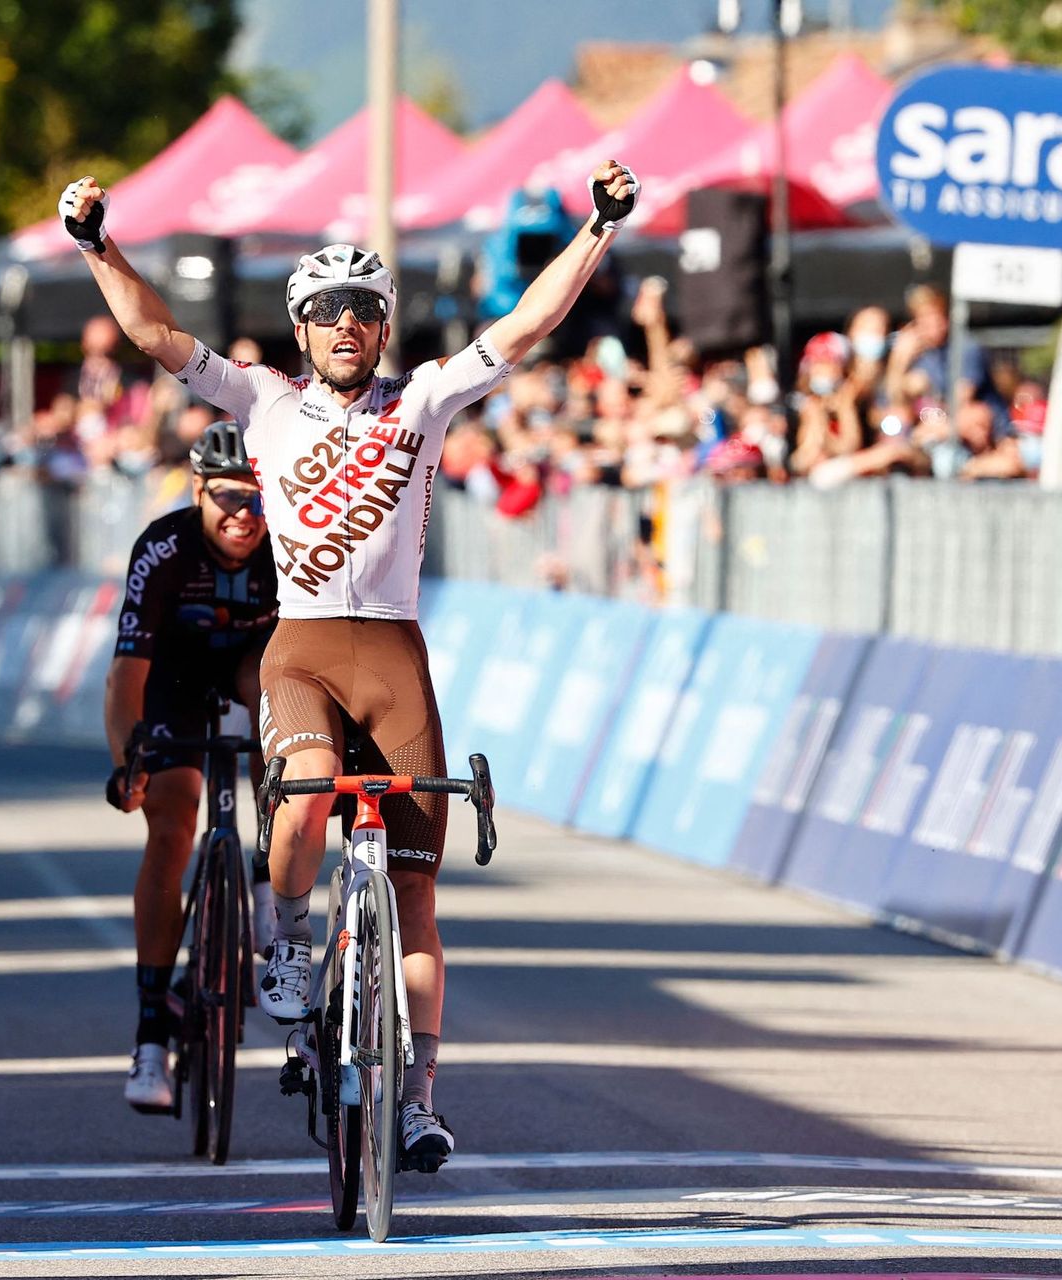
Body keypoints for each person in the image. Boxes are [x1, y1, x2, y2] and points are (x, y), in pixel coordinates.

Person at [58, 156, 640, 1170]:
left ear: (381, 326)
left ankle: (417, 1101)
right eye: (325, 311)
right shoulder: (263, 401)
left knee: (417, 895)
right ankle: (287, 935)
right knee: (309, 787)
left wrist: (598, 227)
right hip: (305, 646)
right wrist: (98, 244)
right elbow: (156, 336)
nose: (344, 324)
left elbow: (527, 325)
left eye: (362, 310)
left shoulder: (424, 400)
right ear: (301, 328)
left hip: (397, 653)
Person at [104, 422, 280, 1113]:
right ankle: (151, 1034)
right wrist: (127, 766)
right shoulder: (165, 548)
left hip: (252, 668)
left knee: (277, 698)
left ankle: (267, 882)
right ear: (199, 492)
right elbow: (126, 676)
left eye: (259, 500)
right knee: (173, 824)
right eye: (231, 497)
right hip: (172, 680)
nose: (246, 515)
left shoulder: (288, 541)